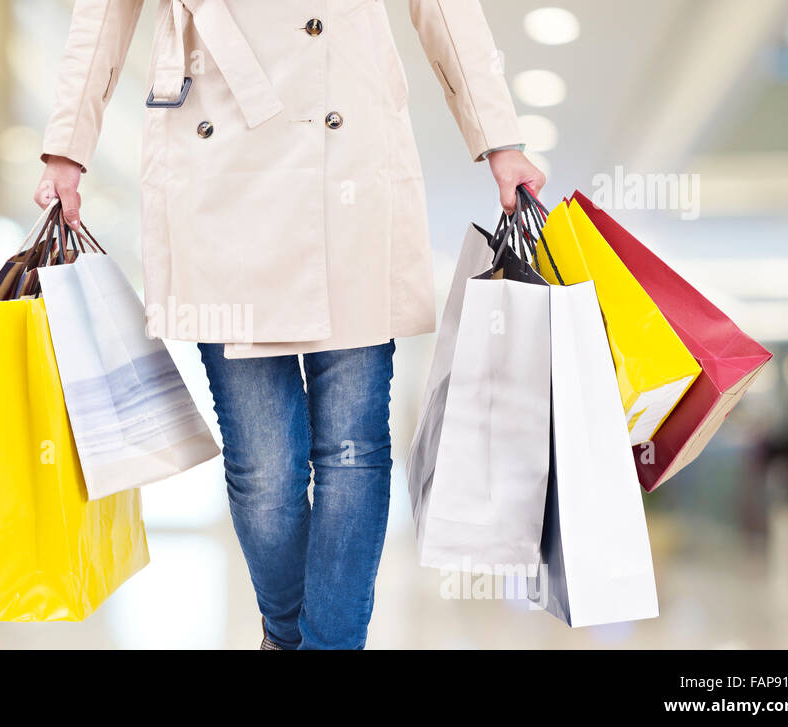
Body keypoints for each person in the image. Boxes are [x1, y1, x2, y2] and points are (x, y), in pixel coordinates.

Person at [35, 0, 543, 649]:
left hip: (348, 159)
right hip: (218, 153)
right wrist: (67, 149)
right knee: (266, 467)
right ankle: (284, 634)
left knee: (353, 449)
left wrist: (498, 136)